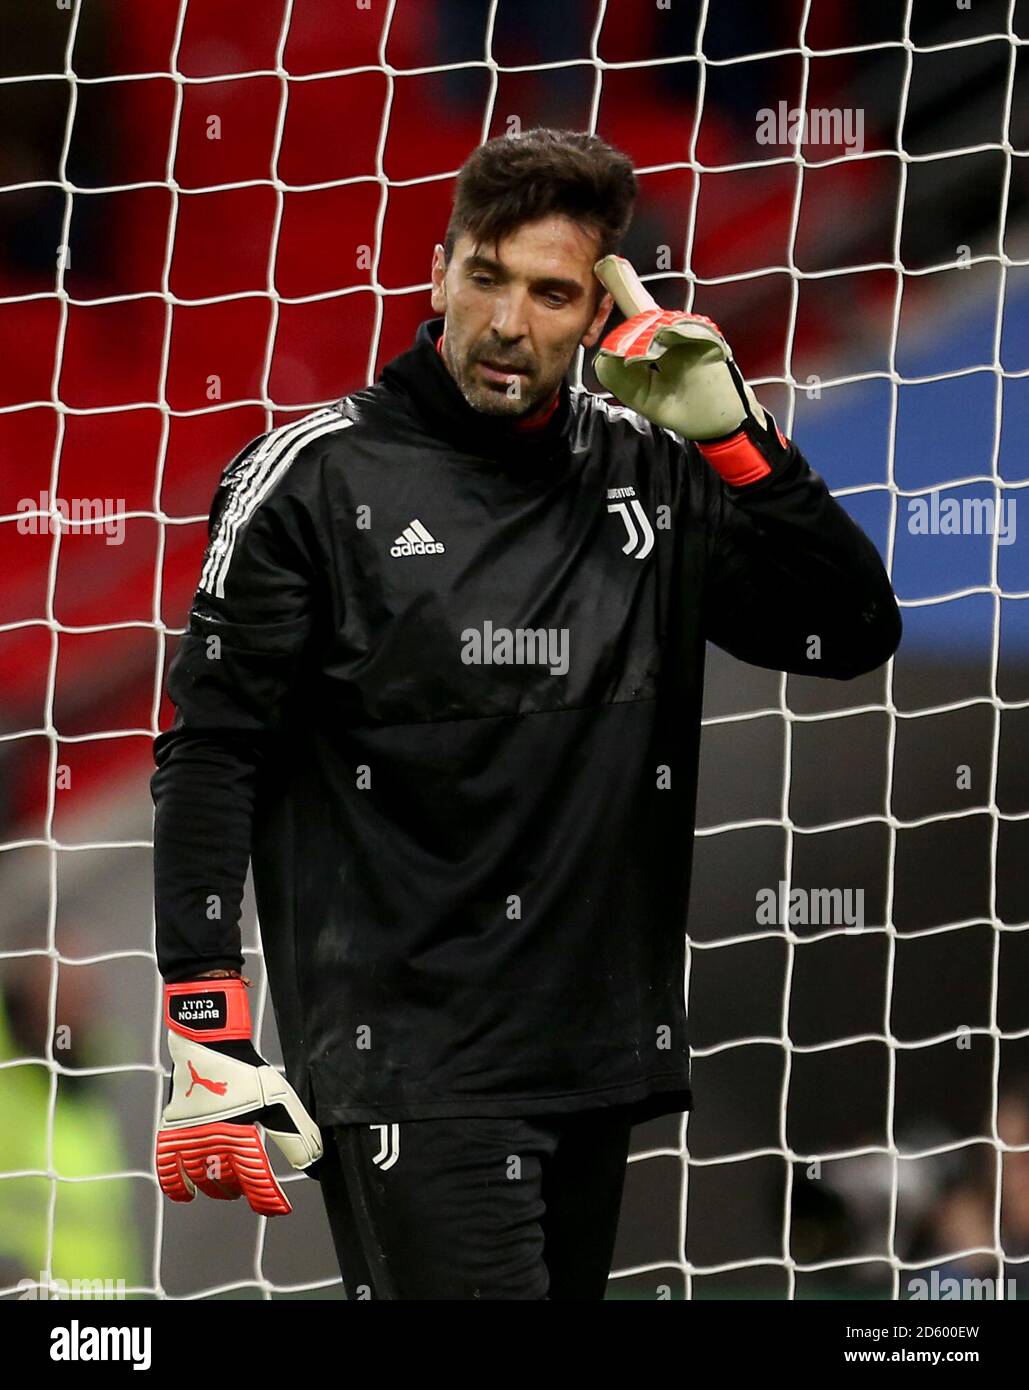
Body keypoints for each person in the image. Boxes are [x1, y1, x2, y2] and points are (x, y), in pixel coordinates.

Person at [150, 127, 902, 1300]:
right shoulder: (309, 479)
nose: (510, 322)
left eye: (553, 292)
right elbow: (211, 751)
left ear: (599, 308)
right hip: (411, 1067)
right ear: (440, 268)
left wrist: (738, 442)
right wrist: (206, 1015)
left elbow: (851, 631)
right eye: (486, 277)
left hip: (591, 1057)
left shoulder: (652, 470)